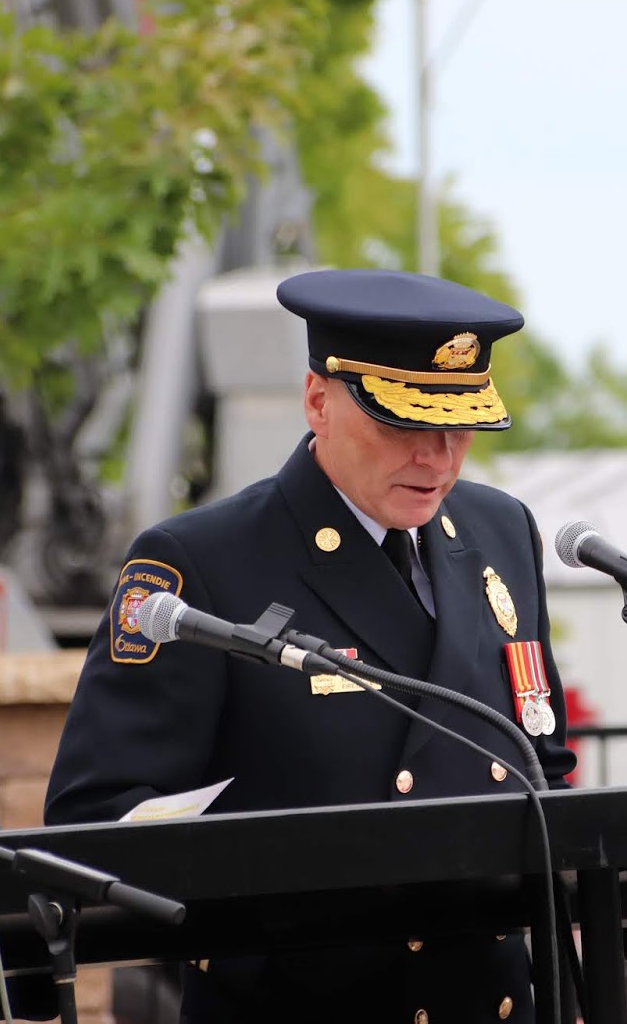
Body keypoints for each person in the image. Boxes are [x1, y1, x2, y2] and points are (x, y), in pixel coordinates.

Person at [45, 269, 581, 1023]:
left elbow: (540, 763)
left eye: (459, 424)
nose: (437, 456)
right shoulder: (202, 562)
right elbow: (94, 818)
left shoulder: (500, 533)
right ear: (317, 400)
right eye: (403, 423)